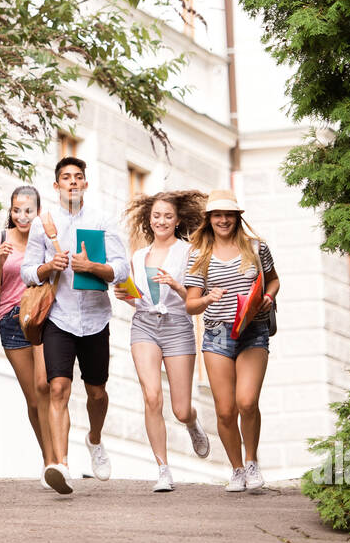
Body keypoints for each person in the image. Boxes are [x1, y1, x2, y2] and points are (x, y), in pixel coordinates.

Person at [21, 157, 129, 495]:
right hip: (59, 317)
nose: (72, 182)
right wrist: (47, 266)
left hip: (95, 318)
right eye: (65, 178)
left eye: (77, 178)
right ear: (56, 186)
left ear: (85, 185)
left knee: (96, 392)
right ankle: (61, 464)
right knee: (58, 389)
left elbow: (122, 269)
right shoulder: (43, 224)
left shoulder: (102, 220)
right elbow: (27, 271)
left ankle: (94, 439)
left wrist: (93, 267)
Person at [114, 190, 211, 492]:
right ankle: (163, 470)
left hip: (178, 327)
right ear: (149, 219)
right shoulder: (139, 256)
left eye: (168, 216)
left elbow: (197, 300)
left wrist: (176, 285)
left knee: (180, 409)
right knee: (152, 396)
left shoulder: (189, 252)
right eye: (157, 216)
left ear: (177, 220)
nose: (162, 221)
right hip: (144, 326)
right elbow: (140, 301)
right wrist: (126, 296)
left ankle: (192, 423)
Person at [183, 189, 279, 493]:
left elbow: (274, 279)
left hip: (253, 331)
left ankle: (252, 462)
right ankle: (236, 469)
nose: (223, 220)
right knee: (225, 411)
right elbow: (190, 304)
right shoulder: (198, 255)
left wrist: (267, 296)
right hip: (218, 334)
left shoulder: (256, 247)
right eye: (217, 215)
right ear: (209, 219)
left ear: (237, 218)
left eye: (229, 215)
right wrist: (208, 298)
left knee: (247, 401)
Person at [0, 185, 54, 487]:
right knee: (33, 398)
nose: (22, 216)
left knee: (46, 388)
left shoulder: (47, 239)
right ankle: (48, 460)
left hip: (43, 316)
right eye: (17, 210)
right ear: (11, 212)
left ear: (37, 211)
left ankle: (57, 459)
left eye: (28, 210)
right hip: (12, 321)